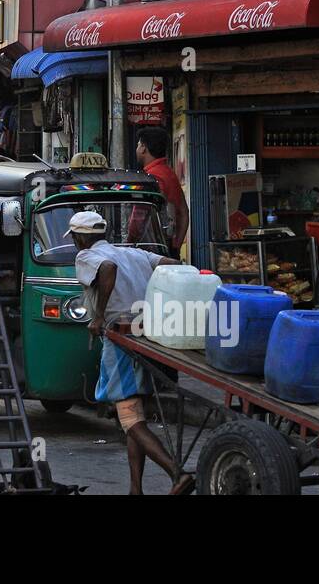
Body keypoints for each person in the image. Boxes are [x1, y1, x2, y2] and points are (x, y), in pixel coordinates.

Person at [68, 211, 190, 495]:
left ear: (80, 238)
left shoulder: (85, 256)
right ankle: (136, 488)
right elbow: (172, 265)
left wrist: (98, 316)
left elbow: (108, 268)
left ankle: (177, 473)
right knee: (136, 416)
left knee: (128, 417)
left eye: (75, 238)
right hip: (149, 334)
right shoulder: (134, 254)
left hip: (122, 336)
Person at [136, 127, 189, 258]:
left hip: (150, 253)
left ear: (143, 148)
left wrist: (131, 241)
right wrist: (176, 246)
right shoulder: (169, 174)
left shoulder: (151, 178)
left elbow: (139, 216)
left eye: (138, 145)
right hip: (169, 248)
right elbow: (184, 213)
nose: (136, 149)